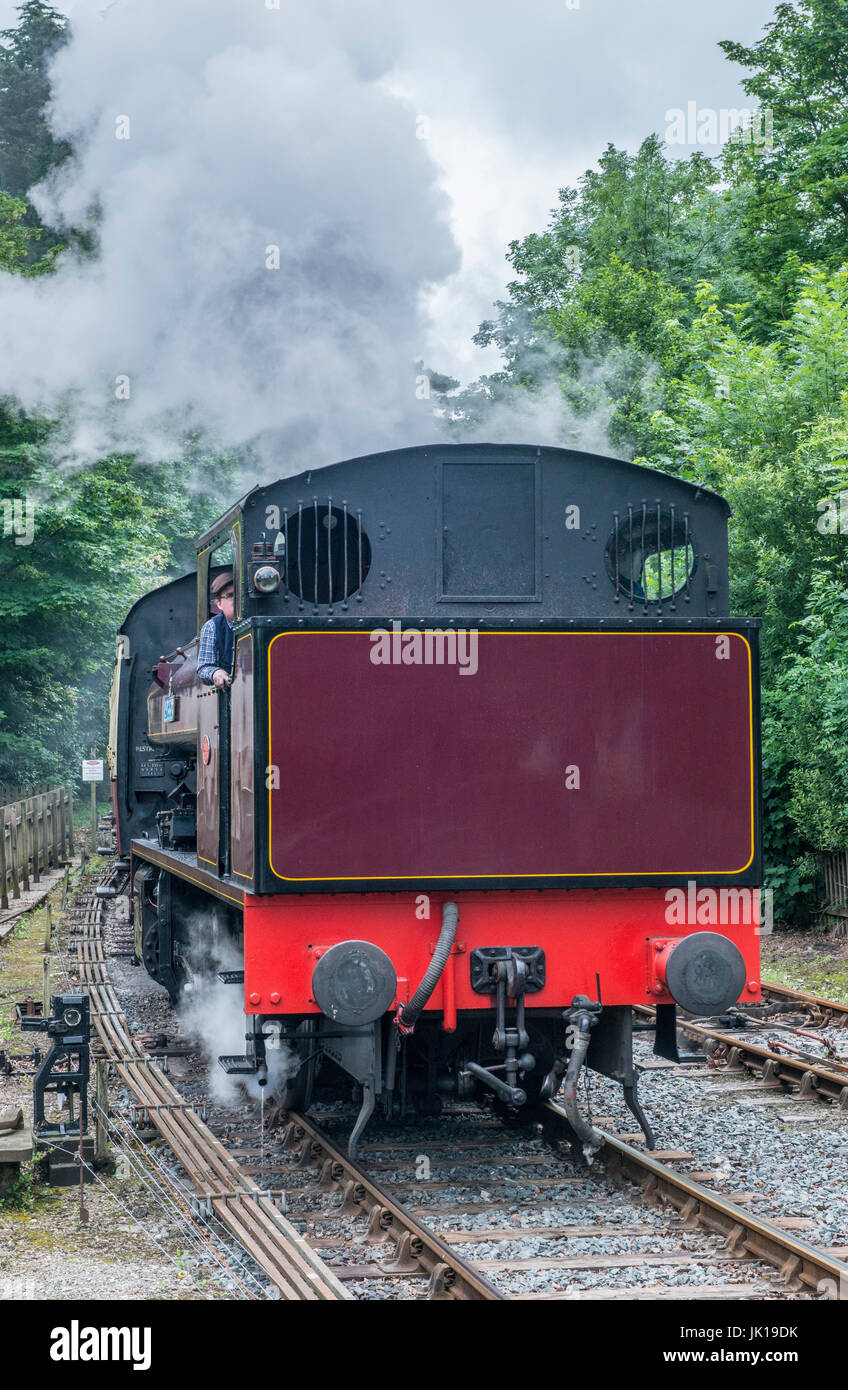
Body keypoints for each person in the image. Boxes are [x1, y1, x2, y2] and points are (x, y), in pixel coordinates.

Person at [197, 571, 234, 688]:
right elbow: (203, 667)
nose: (237, 599)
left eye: (239, 594)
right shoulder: (212, 626)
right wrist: (215, 672)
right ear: (219, 604)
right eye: (231, 595)